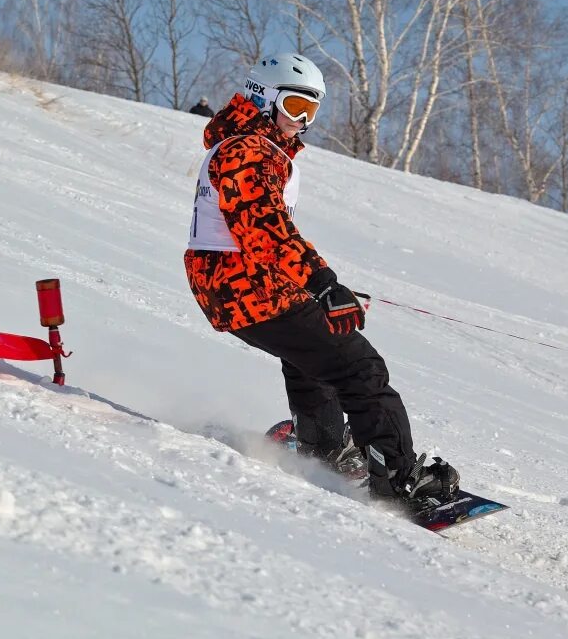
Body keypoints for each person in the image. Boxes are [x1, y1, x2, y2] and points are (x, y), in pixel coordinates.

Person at [183, 52, 459, 513]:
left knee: (321, 345)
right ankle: (399, 480)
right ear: (262, 98)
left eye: (310, 112)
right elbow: (264, 227)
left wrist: (321, 290)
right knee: (360, 368)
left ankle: (324, 443)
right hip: (242, 281)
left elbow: (265, 234)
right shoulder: (246, 150)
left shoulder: (251, 148)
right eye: (295, 108)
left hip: (241, 282)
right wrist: (322, 282)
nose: (302, 122)